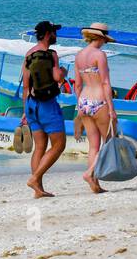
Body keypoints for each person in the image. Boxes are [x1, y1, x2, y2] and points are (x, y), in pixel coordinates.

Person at [21, 21, 67, 198]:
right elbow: (57, 77)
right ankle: (35, 178)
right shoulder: (52, 54)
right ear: (48, 34)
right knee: (59, 145)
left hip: (32, 104)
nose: (56, 35)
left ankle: (38, 189)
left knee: (40, 146)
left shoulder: (28, 55)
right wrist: (63, 71)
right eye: (54, 32)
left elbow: (26, 86)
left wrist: (25, 110)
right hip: (47, 104)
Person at [75, 23, 119, 193]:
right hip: (99, 101)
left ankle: (95, 183)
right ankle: (90, 173)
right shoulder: (99, 55)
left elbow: (77, 85)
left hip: (84, 101)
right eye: (105, 40)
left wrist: (79, 105)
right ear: (100, 38)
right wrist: (111, 108)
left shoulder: (79, 56)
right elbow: (105, 82)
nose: (105, 43)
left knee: (93, 146)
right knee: (108, 142)